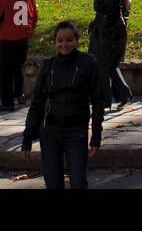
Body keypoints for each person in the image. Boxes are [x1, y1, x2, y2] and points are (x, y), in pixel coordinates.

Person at [21, 21, 107, 189]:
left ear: (76, 41)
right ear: (55, 42)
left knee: (78, 182)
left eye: (69, 40)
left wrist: (96, 135)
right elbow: (37, 102)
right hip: (50, 133)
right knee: (53, 183)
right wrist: (28, 137)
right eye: (60, 40)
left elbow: (98, 100)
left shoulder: (88, 64)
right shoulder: (48, 66)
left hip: (76, 133)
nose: (64, 44)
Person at [0, 0, 39, 111]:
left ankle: (7, 101)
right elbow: (34, 14)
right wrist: (30, 30)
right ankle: (19, 93)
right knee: (19, 66)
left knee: (5, 71)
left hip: (8, 37)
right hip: (23, 36)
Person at [88, 0, 133, 109]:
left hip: (109, 39)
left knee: (103, 68)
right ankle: (124, 94)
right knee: (111, 67)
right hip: (112, 38)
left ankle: (104, 100)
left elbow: (99, 7)